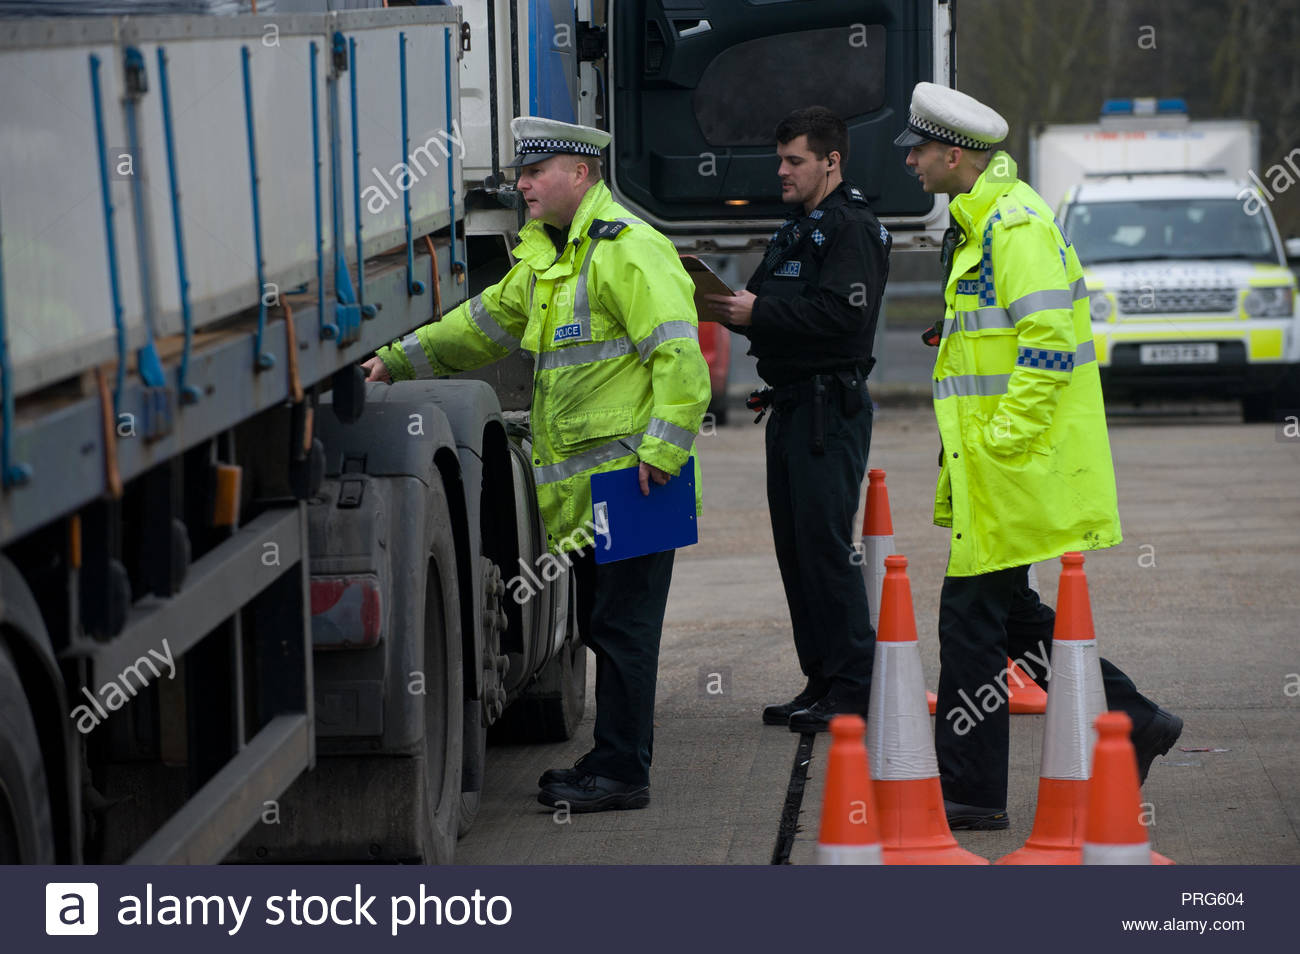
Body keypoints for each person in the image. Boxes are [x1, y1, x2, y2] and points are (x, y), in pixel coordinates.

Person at [364, 117, 711, 813]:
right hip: (594, 496)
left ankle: (621, 774)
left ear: (580, 174)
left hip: (637, 481)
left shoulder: (629, 251)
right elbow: (475, 329)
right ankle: (613, 757)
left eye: (535, 171)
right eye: (522, 173)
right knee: (606, 628)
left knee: (625, 632)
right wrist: (395, 360)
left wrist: (664, 453)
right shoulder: (553, 263)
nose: (521, 184)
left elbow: (681, 359)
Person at [894, 83, 1183, 829]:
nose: (914, 164)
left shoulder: (1013, 227)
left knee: (969, 623)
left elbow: (1049, 346)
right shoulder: (985, 222)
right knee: (1008, 615)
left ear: (953, 154)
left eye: (920, 151)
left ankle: (971, 793)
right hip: (998, 469)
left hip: (1011, 466)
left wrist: (999, 445)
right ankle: (1132, 719)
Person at [707, 106, 890, 733]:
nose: (781, 171)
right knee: (797, 553)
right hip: (789, 407)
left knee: (825, 550)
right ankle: (821, 678)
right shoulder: (796, 229)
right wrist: (726, 306)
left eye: (794, 161)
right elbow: (759, 299)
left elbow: (844, 317)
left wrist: (759, 315)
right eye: (779, 159)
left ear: (830, 162)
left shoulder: (853, 229)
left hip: (826, 409)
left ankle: (856, 686)